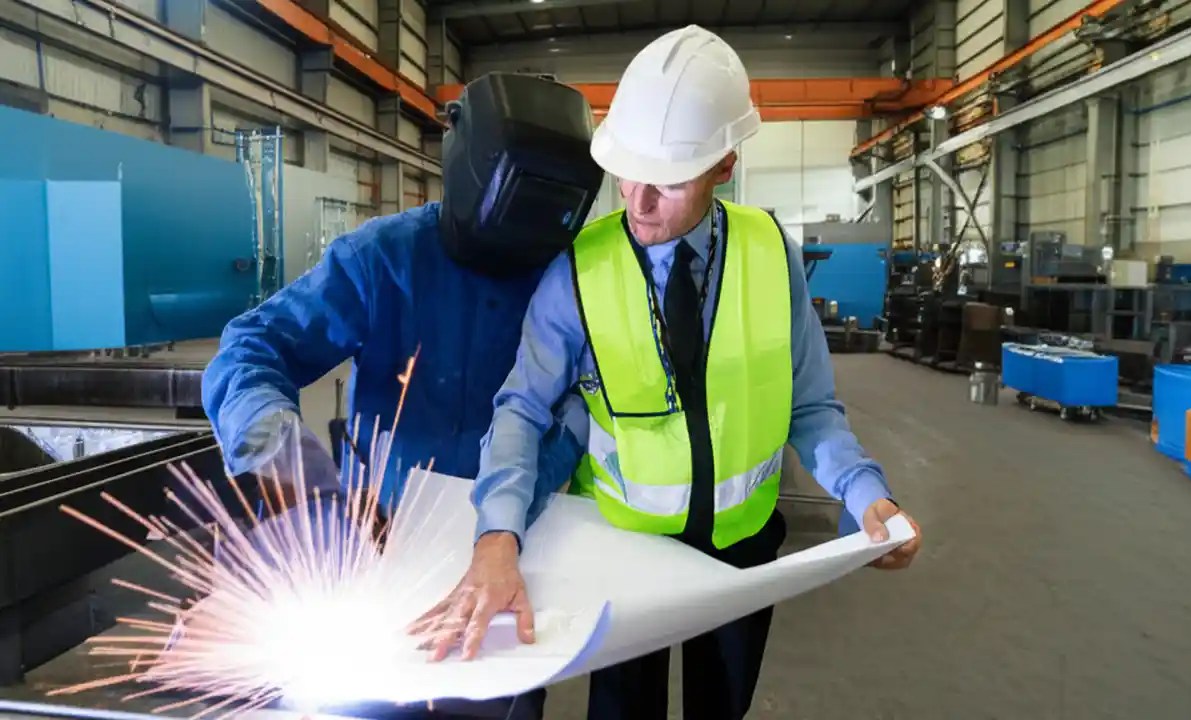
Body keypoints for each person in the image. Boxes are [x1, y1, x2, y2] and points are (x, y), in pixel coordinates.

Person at [418, 24, 923, 720]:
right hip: (625, 553)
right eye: (628, 172)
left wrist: (866, 495)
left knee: (723, 707)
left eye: (667, 180)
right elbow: (523, 410)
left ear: (724, 164)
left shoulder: (770, 253)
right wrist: (497, 537)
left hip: (742, 555)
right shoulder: (579, 270)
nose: (639, 201)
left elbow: (809, 406)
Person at [200, 72, 603, 720]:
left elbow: (586, 412)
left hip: (503, 573)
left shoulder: (573, 281)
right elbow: (250, 350)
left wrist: (511, 517)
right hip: (375, 571)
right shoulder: (384, 260)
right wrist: (292, 467)